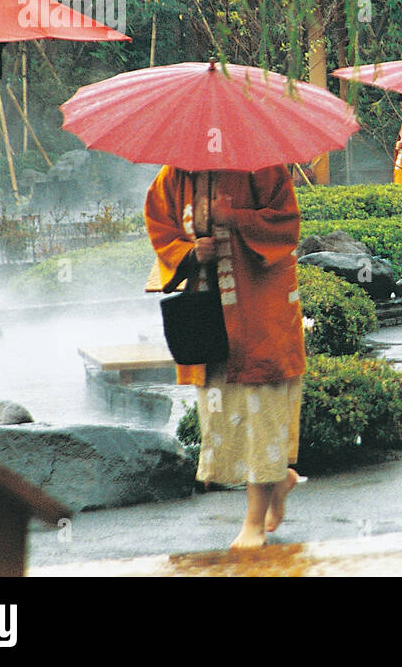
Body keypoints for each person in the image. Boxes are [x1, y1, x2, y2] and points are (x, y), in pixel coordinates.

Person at [145, 164, 305, 549]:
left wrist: (235, 218)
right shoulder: (173, 176)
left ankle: (252, 523)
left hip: (261, 308)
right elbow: (160, 226)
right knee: (224, 414)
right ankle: (277, 480)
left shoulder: (263, 167)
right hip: (208, 314)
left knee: (260, 413)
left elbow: (286, 225)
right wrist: (189, 253)